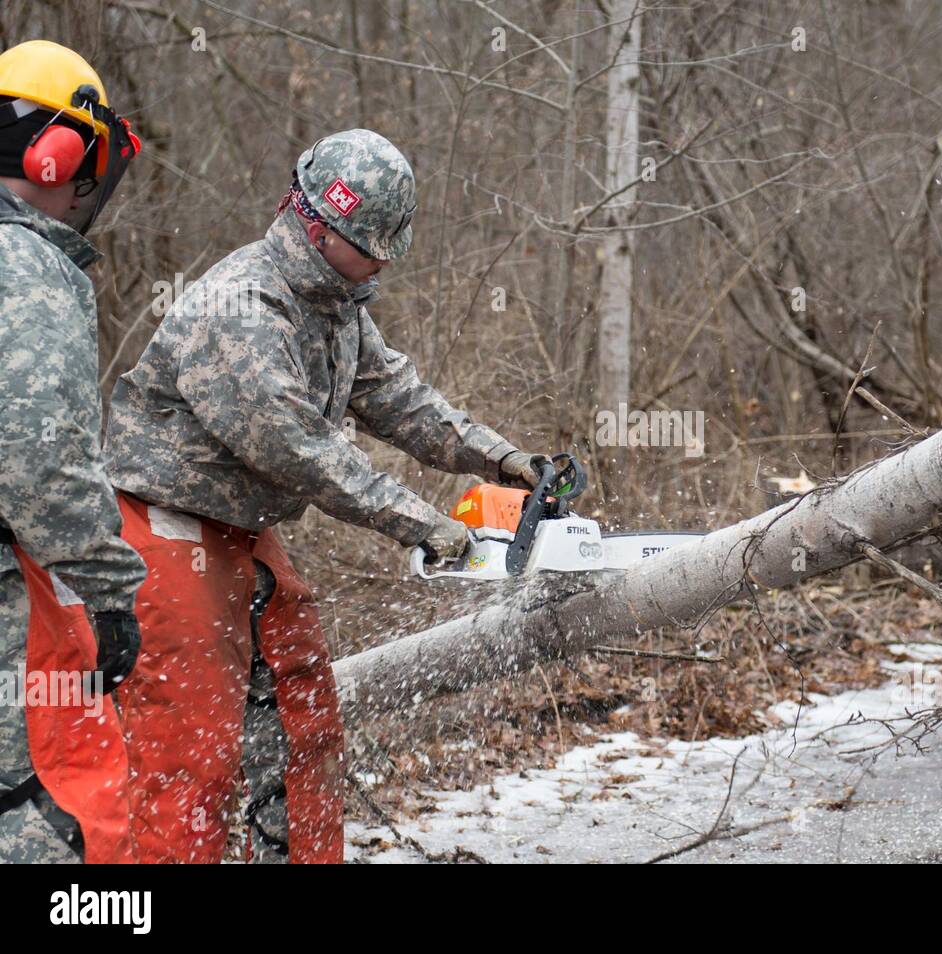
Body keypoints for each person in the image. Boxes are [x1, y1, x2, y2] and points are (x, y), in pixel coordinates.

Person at [105, 128, 548, 863]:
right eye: (370, 245)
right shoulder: (242, 308)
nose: (380, 261)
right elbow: (297, 449)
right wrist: (418, 522)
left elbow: (400, 399)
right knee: (191, 753)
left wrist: (501, 458)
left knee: (304, 714)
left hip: (245, 536)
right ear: (318, 223)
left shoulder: (336, 307)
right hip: (166, 531)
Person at [0, 39, 144, 863]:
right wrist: (111, 586)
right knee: (44, 810)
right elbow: (40, 454)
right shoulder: (24, 263)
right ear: (55, 153)